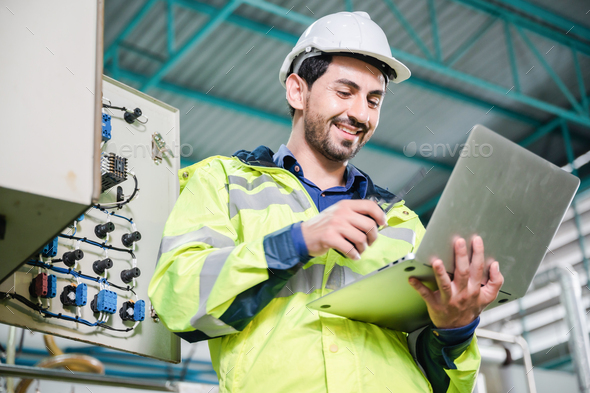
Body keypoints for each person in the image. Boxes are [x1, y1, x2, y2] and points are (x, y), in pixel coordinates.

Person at [148, 11, 504, 393]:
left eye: (373, 99)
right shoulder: (224, 181)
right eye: (344, 91)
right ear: (297, 91)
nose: (360, 113)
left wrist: (455, 330)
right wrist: (298, 240)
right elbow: (177, 300)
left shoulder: (400, 223)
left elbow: (448, 384)